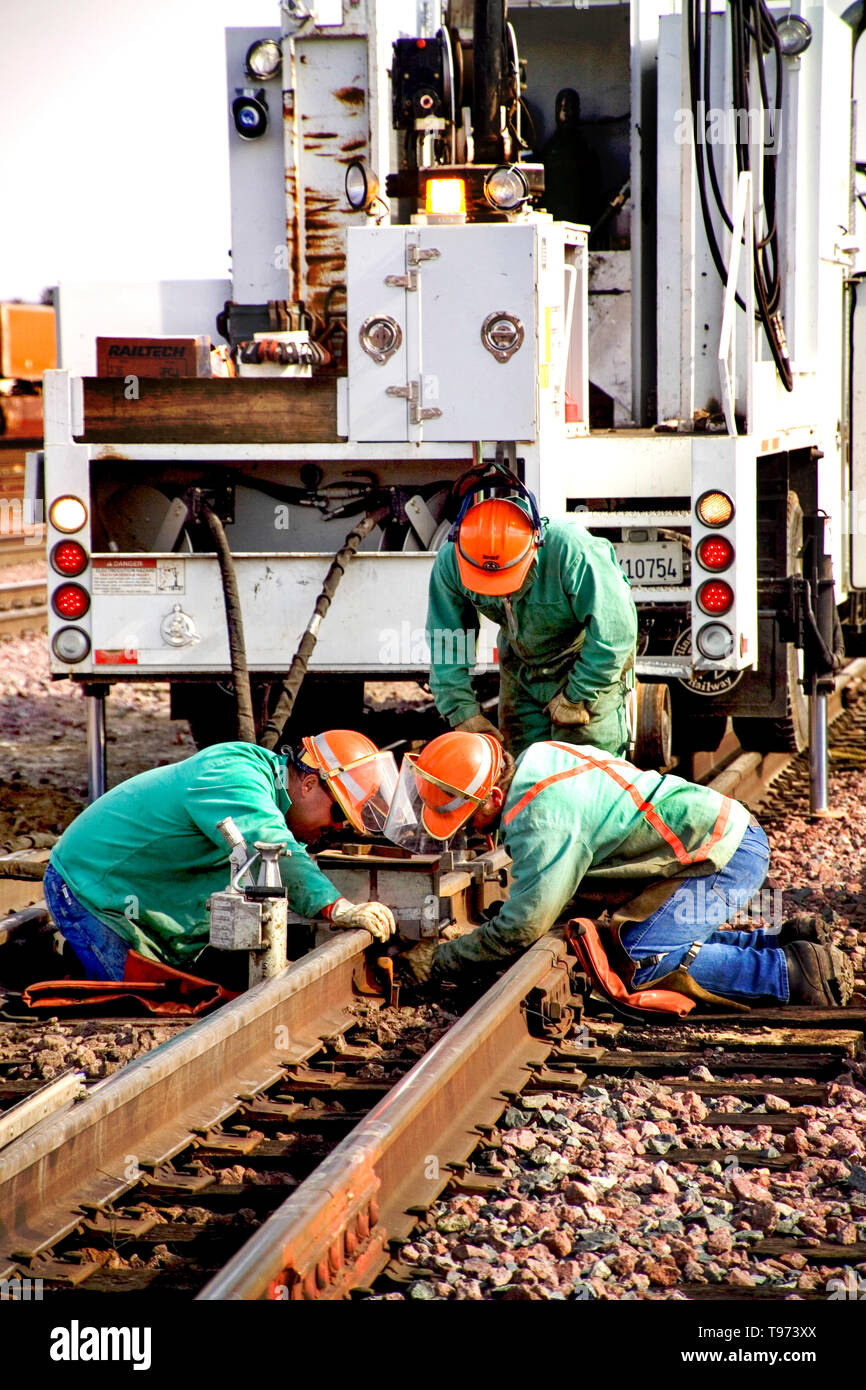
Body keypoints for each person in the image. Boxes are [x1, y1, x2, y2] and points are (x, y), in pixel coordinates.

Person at [391, 732, 853, 1007]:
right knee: (642, 933)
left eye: (467, 816)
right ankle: (782, 942)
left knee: (639, 958)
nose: (469, 828)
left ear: (493, 796)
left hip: (724, 858)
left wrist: (441, 959)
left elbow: (524, 926)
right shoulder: (539, 757)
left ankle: (788, 973)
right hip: (719, 838)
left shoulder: (542, 817)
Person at [44, 731, 398, 982]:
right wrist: (337, 907)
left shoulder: (265, 789)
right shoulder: (233, 777)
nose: (333, 828)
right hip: (87, 891)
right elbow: (267, 846)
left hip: (132, 899)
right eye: (337, 814)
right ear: (308, 784)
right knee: (143, 999)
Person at [426, 472, 638, 759]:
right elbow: (448, 640)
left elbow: (616, 631)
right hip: (521, 673)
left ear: (534, 543)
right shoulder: (452, 560)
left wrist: (580, 694)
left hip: (584, 666)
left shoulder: (572, 550)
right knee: (524, 775)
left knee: (588, 773)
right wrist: (462, 712)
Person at [541, 87, 606, 230]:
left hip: (581, 219)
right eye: (562, 107)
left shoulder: (586, 149)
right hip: (554, 220)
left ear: (578, 111)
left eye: (570, 107)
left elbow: (594, 190)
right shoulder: (548, 149)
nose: (566, 113)